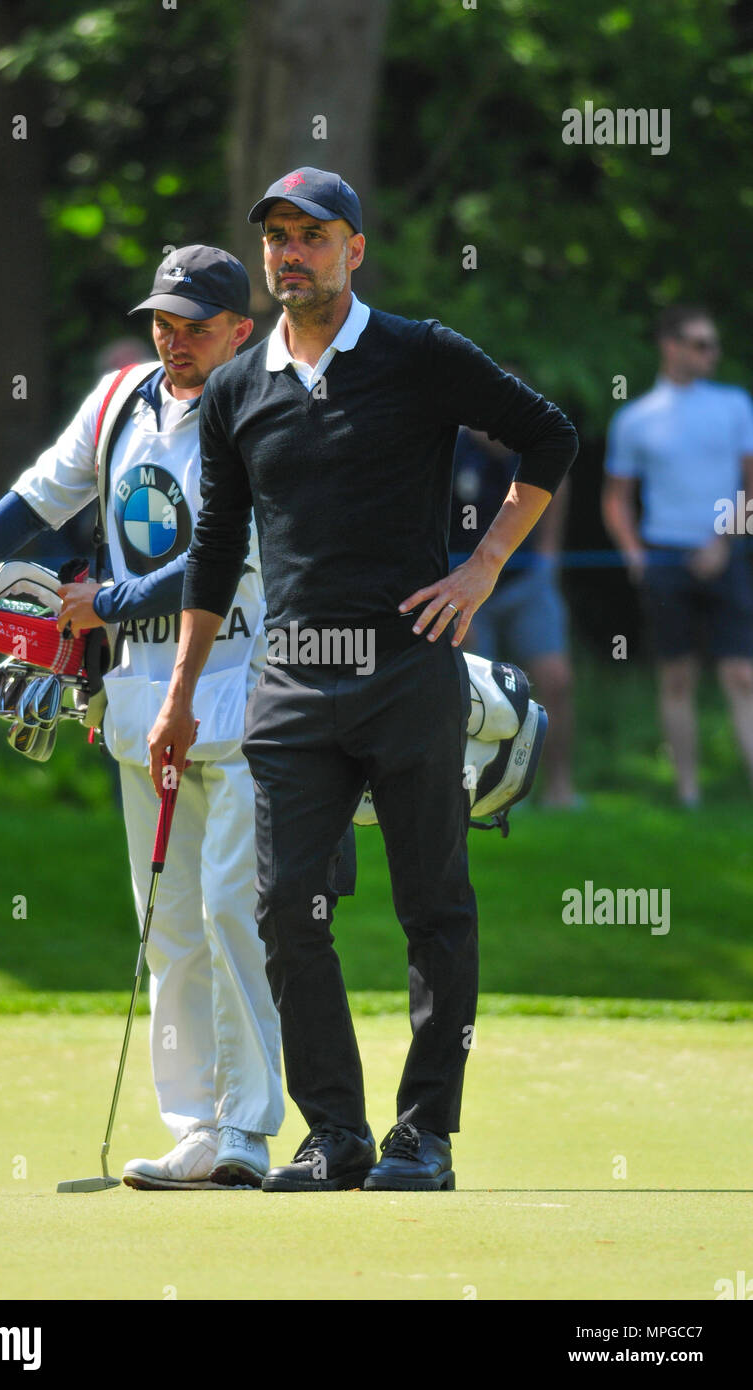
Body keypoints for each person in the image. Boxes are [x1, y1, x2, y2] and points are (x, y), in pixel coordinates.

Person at [147, 167, 579, 1192]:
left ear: (354, 249)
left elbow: (549, 433)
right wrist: (177, 694)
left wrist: (481, 567)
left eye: (311, 234)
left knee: (432, 903)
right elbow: (213, 547)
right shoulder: (238, 390)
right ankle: (333, 1132)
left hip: (405, 674)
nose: (288, 253)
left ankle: (422, 1134)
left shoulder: (418, 354)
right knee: (285, 906)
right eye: (275, 238)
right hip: (288, 686)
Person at [0, 245, 285, 1189]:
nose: (173, 338)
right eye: (162, 318)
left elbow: (227, 560)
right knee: (167, 926)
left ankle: (248, 1131)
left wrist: (108, 602)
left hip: (245, 700)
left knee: (235, 913)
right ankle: (194, 1126)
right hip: (137, 708)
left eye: (195, 324)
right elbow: (30, 503)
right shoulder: (117, 403)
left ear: (241, 329)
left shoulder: (270, 411)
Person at [603, 304, 753, 807]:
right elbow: (616, 498)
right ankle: (689, 794)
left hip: (726, 553)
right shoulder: (635, 417)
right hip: (664, 558)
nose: (711, 352)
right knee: (677, 677)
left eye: (713, 343)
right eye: (700, 343)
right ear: (671, 345)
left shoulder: (734, 405)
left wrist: (723, 540)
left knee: (742, 674)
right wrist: (634, 554)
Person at [449, 403, 578, 808]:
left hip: (524, 580)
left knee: (556, 680)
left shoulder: (534, 444)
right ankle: (480, 792)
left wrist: (549, 555)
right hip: (461, 585)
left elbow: (560, 480)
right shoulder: (446, 449)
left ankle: (560, 790)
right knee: (472, 695)